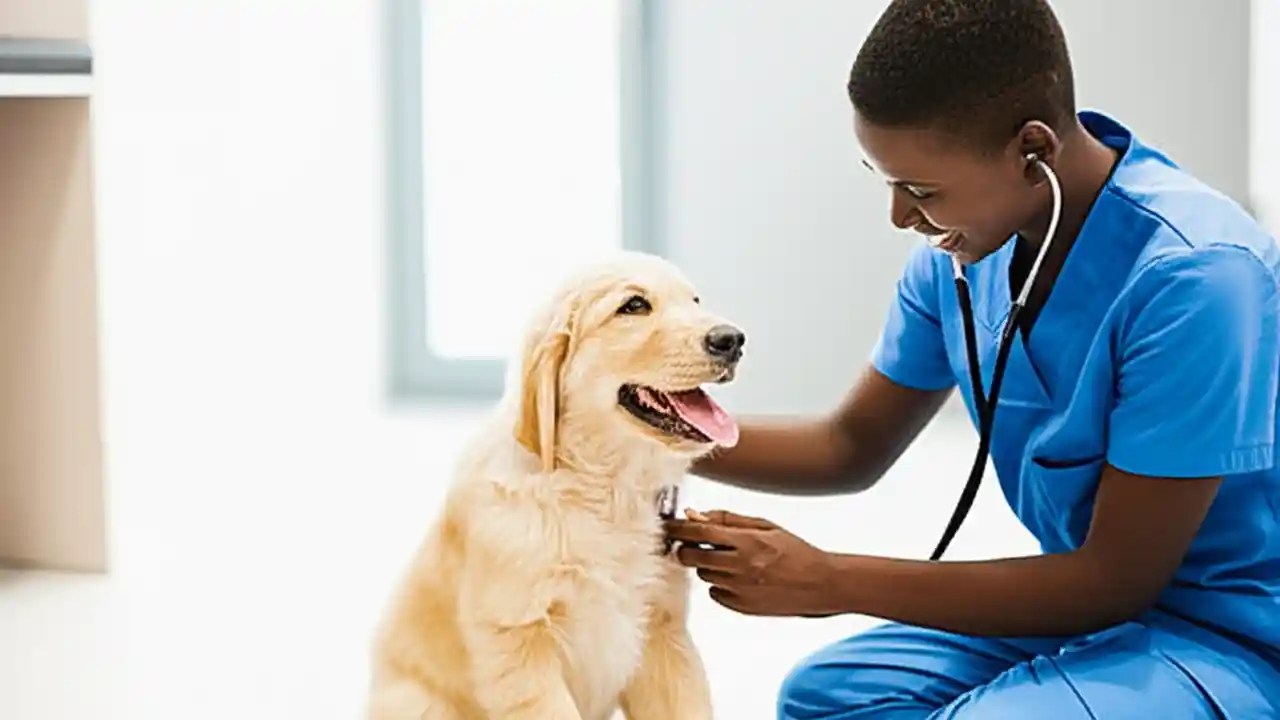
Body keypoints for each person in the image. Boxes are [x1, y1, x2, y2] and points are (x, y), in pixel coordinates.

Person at [663, 0, 1280, 717]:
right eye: (885, 180)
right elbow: (849, 446)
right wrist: (640, 436)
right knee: (826, 697)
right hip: (1093, 613)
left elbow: (1116, 578)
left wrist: (829, 580)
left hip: (1227, 634)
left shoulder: (1199, 276)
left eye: (922, 191)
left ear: (1034, 149)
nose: (900, 216)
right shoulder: (960, 257)